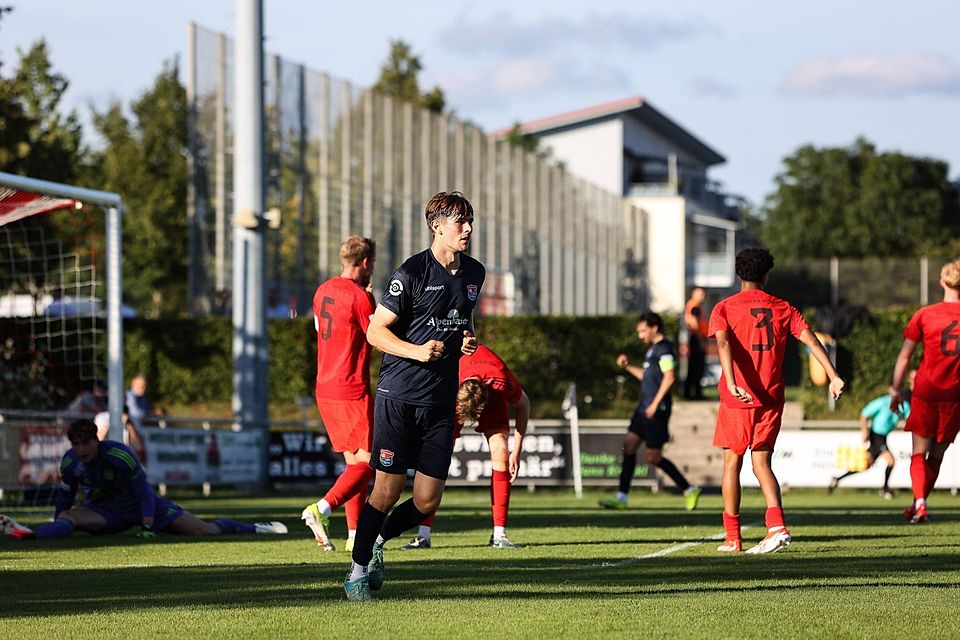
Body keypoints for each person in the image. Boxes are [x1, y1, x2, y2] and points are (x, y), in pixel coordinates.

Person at [343, 191, 484, 601]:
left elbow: (461, 320)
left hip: (440, 402)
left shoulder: (474, 272)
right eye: (460, 221)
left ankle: (377, 543)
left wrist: (468, 340)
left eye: (470, 220)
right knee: (385, 492)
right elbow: (375, 331)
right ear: (436, 225)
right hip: (399, 397)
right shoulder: (412, 271)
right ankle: (355, 573)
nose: (467, 228)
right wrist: (417, 351)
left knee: (427, 500)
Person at [710, 247, 844, 554]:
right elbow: (812, 340)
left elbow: (723, 344)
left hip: (738, 398)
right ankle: (777, 527)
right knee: (762, 463)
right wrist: (833, 375)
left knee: (732, 464)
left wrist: (731, 383)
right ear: (766, 275)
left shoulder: (724, 308)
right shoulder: (784, 307)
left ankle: (733, 538)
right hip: (771, 397)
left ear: (738, 273)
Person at [0, 418, 287, 540]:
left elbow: (143, 490)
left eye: (86, 443)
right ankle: (33, 534)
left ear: (96, 440)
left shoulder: (119, 455)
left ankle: (257, 528)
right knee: (69, 517)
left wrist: (148, 523)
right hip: (106, 513)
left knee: (204, 530)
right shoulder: (70, 462)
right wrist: (56, 522)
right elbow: (65, 496)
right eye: (76, 444)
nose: (81, 449)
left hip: (141, 507)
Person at [401, 344, 530, 550]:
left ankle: (500, 534)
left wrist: (517, 451)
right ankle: (423, 535)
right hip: (452, 393)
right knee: (438, 458)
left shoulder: (500, 380)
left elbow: (524, 404)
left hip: (490, 395)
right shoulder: (446, 380)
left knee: (501, 452)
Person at [300, 236, 377, 553]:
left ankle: (355, 535)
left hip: (325, 387)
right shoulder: (359, 297)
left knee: (354, 465)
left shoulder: (322, 291)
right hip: (351, 388)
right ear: (366, 262)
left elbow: (323, 330)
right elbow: (377, 335)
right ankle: (321, 508)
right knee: (369, 464)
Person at [600, 312, 702, 512]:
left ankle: (689, 489)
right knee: (629, 445)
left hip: (656, 410)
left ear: (654, 328)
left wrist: (655, 404)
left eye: (643, 331)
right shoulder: (652, 350)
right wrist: (628, 367)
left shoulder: (664, 348)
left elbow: (669, 377)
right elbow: (647, 376)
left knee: (653, 457)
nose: (640, 336)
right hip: (644, 408)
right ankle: (621, 497)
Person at [890, 258, 960, 524]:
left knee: (919, 453)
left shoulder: (925, 314)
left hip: (927, 391)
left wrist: (896, 390)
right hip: (955, 395)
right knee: (937, 456)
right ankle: (919, 503)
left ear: (942, 282)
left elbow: (905, 357)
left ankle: (919, 503)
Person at [829, 371, 914, 499]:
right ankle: (885, 489)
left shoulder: (903, 405)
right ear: (889, 389)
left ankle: (837, 479)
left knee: (866, 465)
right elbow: (864, 413)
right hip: (876, 435)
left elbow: (910, 418)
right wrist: (864, 431)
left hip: (883, 436)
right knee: (891, 461)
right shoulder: (883, 402)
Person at [684, 287, 708, 399]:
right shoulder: (695, 306)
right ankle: (695, 393)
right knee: (697, 367)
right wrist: (701, 341)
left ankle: (690, 392)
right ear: (694, 294)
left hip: (696, 338)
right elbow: (695, 324)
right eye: (701, 294)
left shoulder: (692, 305)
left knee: (694, 366)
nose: (703, 297)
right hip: (697, 338)